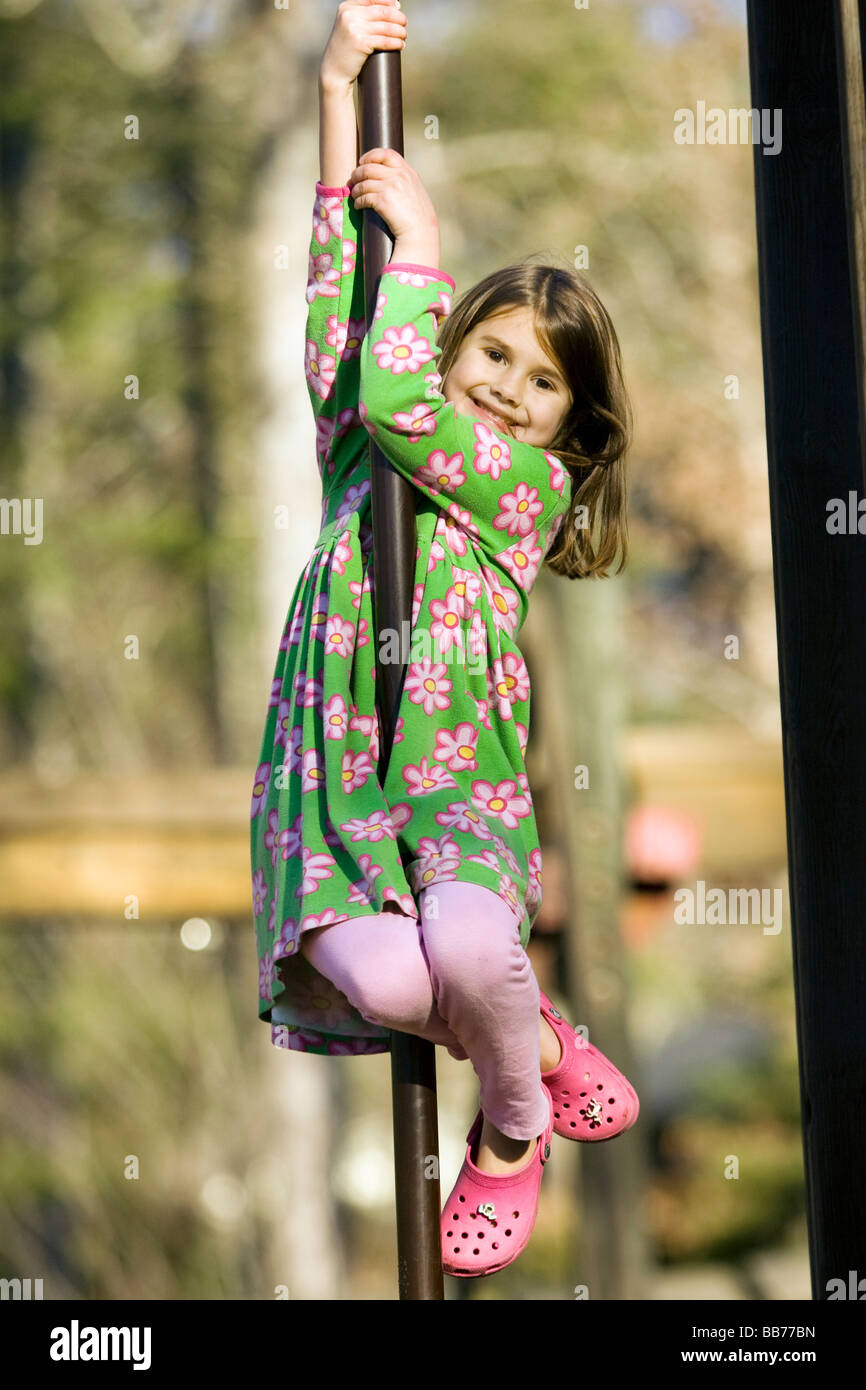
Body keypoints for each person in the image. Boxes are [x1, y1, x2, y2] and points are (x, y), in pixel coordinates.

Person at [249, 0, 639, 1277]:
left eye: (541, 384)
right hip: (335, 785)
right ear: (449, 337)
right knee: (382, 980)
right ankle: (531, 1041)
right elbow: (340, 307)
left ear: (563, 429)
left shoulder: (516, 489)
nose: (506, 388)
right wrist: (331, 92)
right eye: (493, 352)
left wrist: (422, 239)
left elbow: (399, 386)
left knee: (472, 948)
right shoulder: (362, 434)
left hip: (453, 785)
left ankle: (513, 1129)